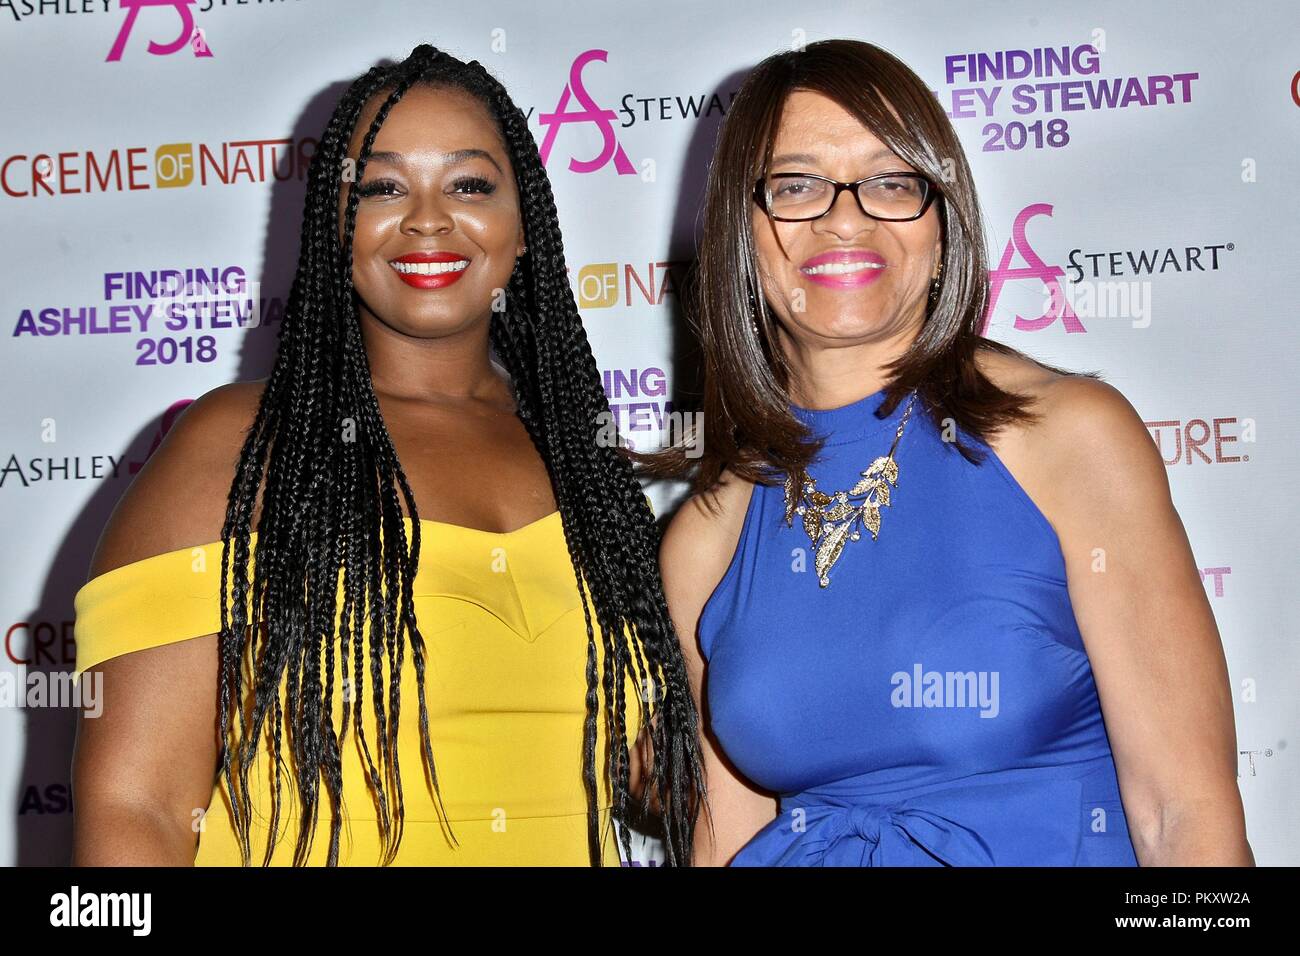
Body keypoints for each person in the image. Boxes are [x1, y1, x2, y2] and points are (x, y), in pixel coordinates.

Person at [70, 43, 704, 867]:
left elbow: (651, 780)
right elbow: (137, 809)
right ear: (338, 227)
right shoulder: (237, 446)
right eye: (382, 187)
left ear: (524, 228)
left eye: (469, 185)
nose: (428, 219)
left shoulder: (582, 462)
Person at [652, 39, 1252, 866]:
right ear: (740, 232)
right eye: (796, 185)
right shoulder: (706, 539)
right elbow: (725, 840)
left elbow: (1185, 820)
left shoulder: (1065, 439)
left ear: (943, 227)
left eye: (892, 182)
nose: (844, 217)